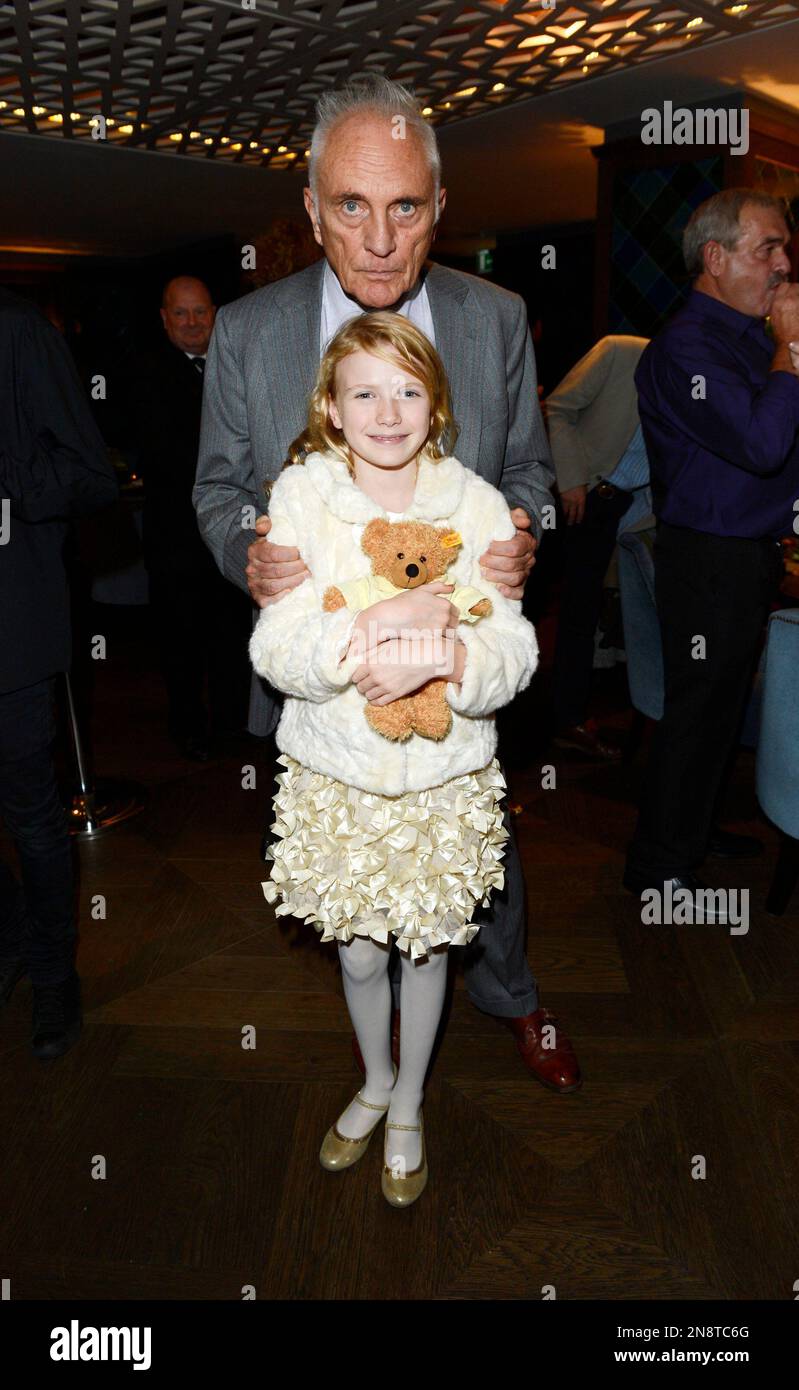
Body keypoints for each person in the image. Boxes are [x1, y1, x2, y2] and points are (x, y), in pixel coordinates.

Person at [195, 74, 581, 1092]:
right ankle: (384, 1063)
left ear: (439, 208)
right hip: (323, 672)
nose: (378, 238)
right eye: (352, 206)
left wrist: (522, 533)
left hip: (457, 665)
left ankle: (511, 993)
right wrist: (249, 549)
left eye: (404, 206)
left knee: (477, 856)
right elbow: (218, 488)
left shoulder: (495, 317)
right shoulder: (246, 330)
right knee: (354, 877)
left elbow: (534, 478)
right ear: (312, 207)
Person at [249, 310, 538, 1206]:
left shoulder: (478, 505)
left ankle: (407, 1101)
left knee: (425, 952)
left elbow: (514, 649)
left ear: (435, 403)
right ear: (330, 409)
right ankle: (374, 1078)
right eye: (363, 392)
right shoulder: (301, 494)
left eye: (408, 390)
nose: (387, 411)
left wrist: (454, 657)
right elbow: (276, 647)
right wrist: (371, 633)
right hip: (335, 778)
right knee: (362, 956)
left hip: (442, 776)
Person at [623, 189, 799, 916]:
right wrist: (791, 350)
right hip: (708, 560)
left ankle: (694, 829)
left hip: (747, 548)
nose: (784, 265)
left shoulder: (747, 337)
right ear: (715, 257)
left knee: (721, 710)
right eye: (768, 249)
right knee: (698, 713)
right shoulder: (687, 346)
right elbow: (760, 444)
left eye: (785, 248)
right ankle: (657, 865)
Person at [0, 287, 118, 1059]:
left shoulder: (17, 332)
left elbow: (91, 475)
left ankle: (53, 976)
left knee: (32, 818)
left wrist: (12, 478)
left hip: (12, 632)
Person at [128, 276, 252, 761]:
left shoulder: (232, 365)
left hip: (229, 535)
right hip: (176, 538)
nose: (193, 322)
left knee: (230, 634)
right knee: (180, 640)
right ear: (164, 319)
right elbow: (163, 453)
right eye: (181, 314)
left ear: (215, 312)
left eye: (201, 311)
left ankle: (231, 724)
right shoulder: (145, 374)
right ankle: (187, 727)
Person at [546, 334, 651, 760]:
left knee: (583, 613)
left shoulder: (694, 383)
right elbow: (558, 408)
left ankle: (566, 718)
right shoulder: (619, 351)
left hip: (625, 508)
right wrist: (573, 479)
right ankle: (532, 720)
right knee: (545, 606)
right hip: (576, 493)